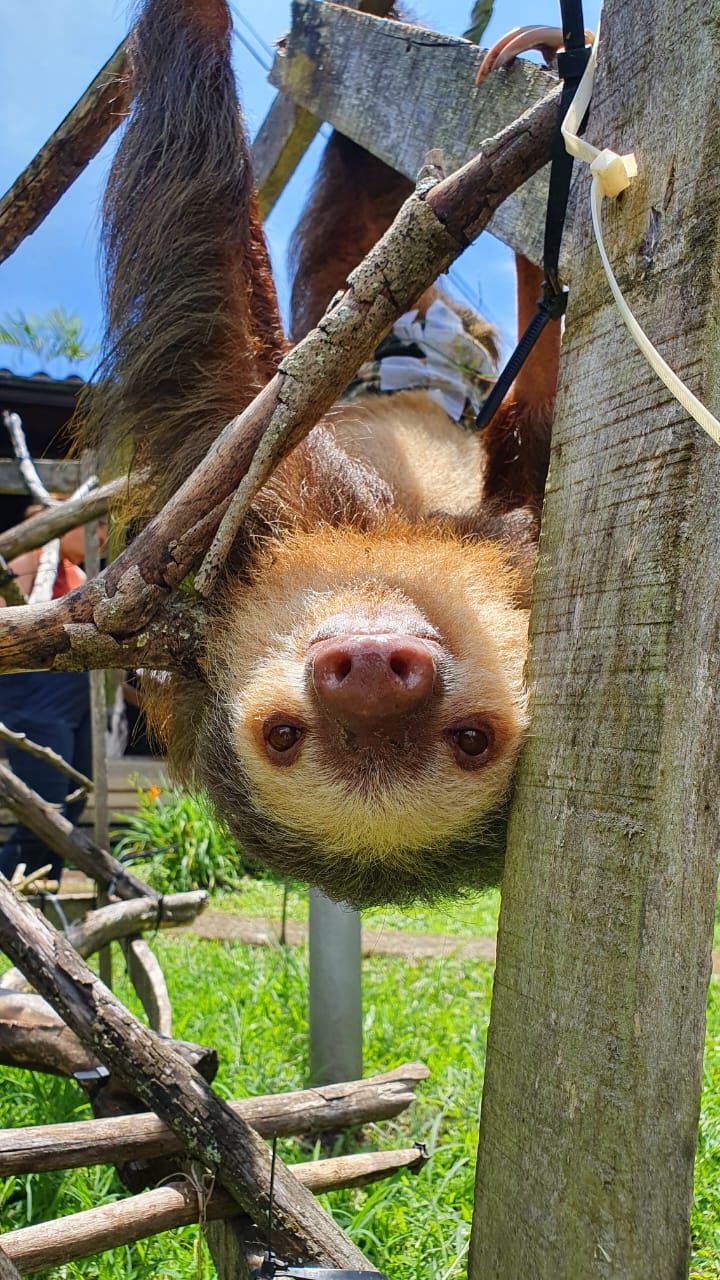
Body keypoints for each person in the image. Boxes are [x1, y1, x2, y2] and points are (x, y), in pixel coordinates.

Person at [0, 521, 96, 885]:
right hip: (32, 695)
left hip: (73, 697)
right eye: (95, 526)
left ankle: (45, 891)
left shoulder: (80, 573)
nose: (99, 537)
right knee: (46, 808)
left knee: (72, 803)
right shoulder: (27, 559)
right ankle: (9, 899)